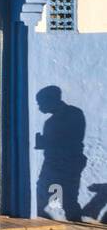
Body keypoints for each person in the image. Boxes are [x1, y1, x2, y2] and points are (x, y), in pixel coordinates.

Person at [34, 87, 87, 221]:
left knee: (69, 196)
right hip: (52, 163)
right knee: (46, 191)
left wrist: (49, 142)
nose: (40, 107)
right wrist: (43, 143)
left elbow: (74, 138)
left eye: (41, 103)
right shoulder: (50, 122)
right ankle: (57, 219)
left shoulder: (74, 113)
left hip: (69, 162)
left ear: (51, 100)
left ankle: (76, 224)